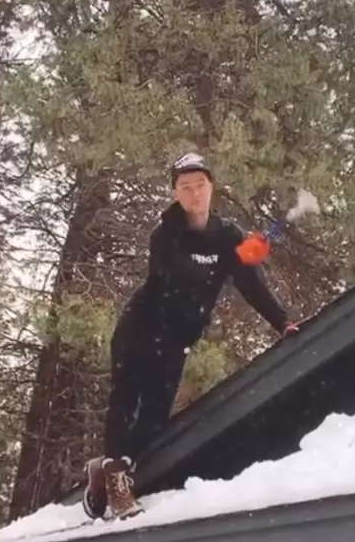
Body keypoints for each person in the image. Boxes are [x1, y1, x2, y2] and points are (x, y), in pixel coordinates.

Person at [84, 152, 299, 520]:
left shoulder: (227, 236)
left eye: (200, 185)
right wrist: (227, 260)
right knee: (126, 400)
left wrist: (282, 322)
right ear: (175, 194)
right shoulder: (164, 234)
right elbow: (177, 273)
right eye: (186, 187)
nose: (194, 193)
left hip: (176, 338)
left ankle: (104, 468)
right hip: (141, 328)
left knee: (154, 416)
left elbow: (251, 284)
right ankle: (118, 483)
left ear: (211, 188)